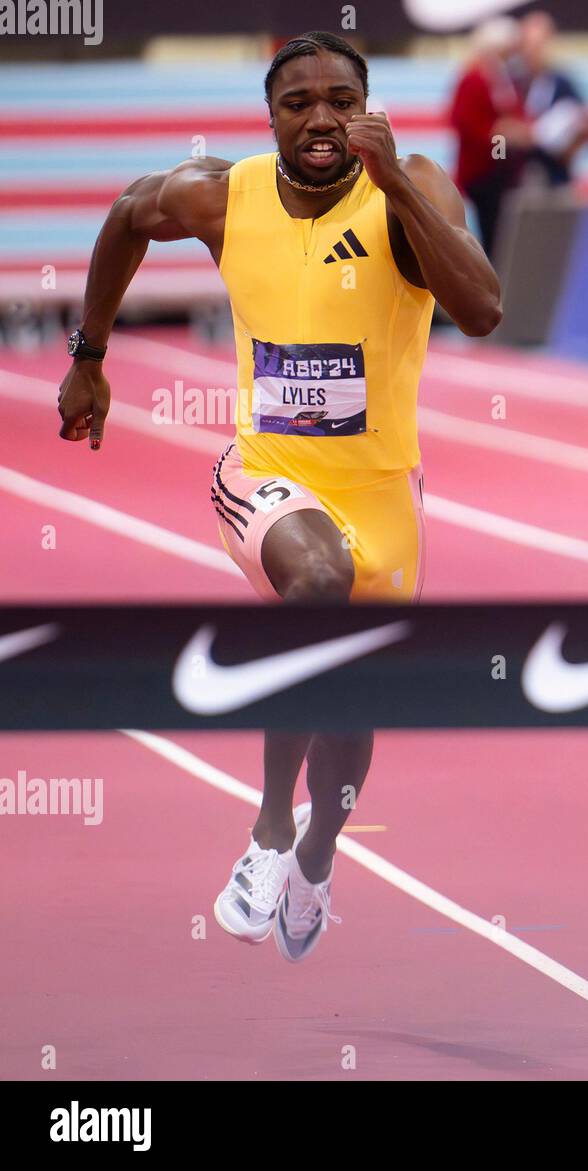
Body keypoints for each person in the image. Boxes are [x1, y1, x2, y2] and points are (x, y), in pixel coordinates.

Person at [57, 30, 502, 962]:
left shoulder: (412, 183)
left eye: (342, 99)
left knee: (349, 695)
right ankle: (265, 833)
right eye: (299, 102)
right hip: (265, 472)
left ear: (368, 108)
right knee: (317, 580)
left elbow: (484, 308)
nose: (322, 119)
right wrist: (89, 359)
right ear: (270, 118)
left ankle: (317, 853)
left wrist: (401, 189)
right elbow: (129, 214)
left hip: (384, 489)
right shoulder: (226, 194)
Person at [450, 16, 530, 257]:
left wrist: (520, 130)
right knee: (491, 234)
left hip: (504, 172)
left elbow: (516, 113)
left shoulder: (503, 79)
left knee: (504, 235)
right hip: (483, 172)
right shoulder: (473, 78)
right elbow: (463, 121)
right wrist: (498, 133)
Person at [512, 10, 585, 188]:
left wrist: (569, 150)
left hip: (556, 175)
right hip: (520, 177)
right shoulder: (512, 82)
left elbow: (583, 121)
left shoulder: (561, 83)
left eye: (539, 45)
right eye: (528, 45)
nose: (533, 52)